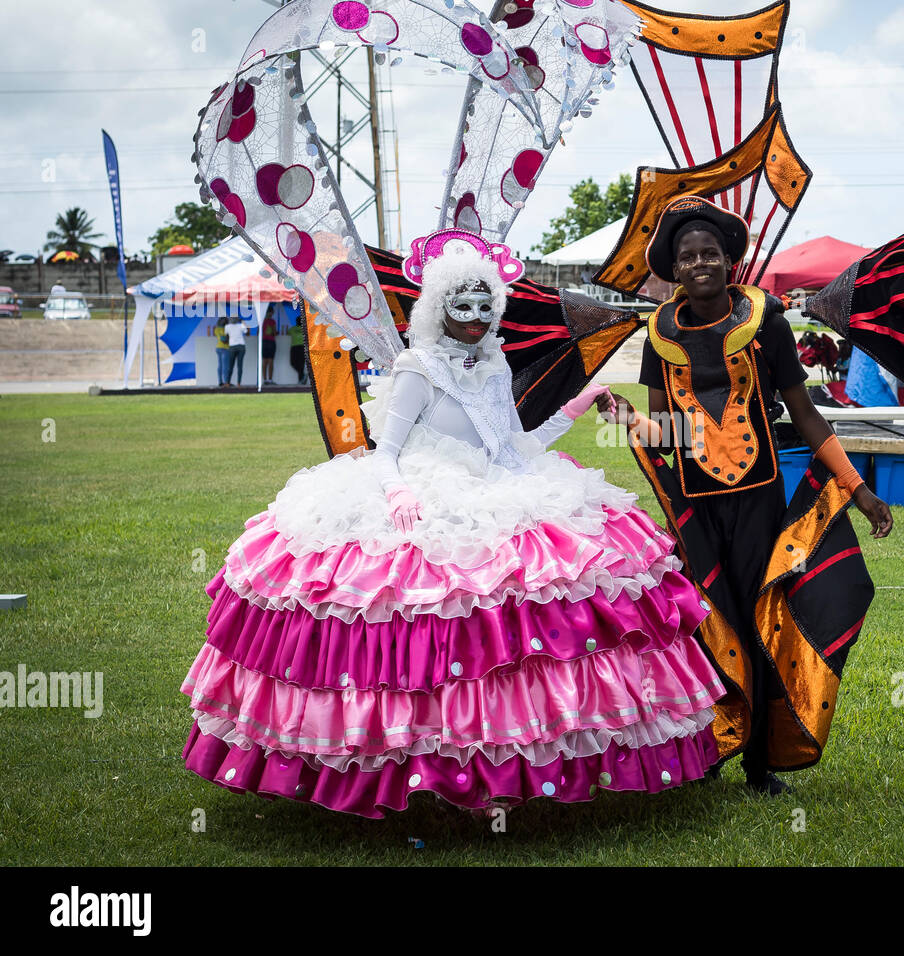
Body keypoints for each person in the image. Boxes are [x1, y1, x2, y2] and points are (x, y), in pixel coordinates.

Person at [181, 239, 724, 816]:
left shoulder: (493, 362)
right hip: (428, 487)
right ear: (437, 307)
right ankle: (415, 765)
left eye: (485, 306)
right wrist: (398, 493)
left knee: (541, 602)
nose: (475, 320)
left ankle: (506, 759)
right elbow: (384, 451)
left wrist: (581, 402)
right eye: (461, 307)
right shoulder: (417, 367)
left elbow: (514, 448)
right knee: (425, 613)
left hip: (496, 485)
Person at [597, 196, 892, 796]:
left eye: (711, 253)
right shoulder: (660, 336)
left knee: (761, 622)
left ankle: (759, 761)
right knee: (707, 621)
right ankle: (711, 747)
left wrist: (857, 489)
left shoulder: (768, 323)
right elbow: (669, 431)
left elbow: (806, 414)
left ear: (730, 260)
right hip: (697, 508)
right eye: (687, 256)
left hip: (761, 504)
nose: (700, 263)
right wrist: (629, 419)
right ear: (673, 270)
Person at [225, 312, 249, 386]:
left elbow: (226, 337)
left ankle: (228, 383)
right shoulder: (241, 325)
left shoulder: (227, 326)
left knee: (230, 366)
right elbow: (247, 333)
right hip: (241, 346)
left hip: (232, 346)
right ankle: (238, 383)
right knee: (240, 365)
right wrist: (244, 323)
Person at [289, 311, 307, 385]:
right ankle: (303, 376)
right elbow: (287, 333)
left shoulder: (305, 329)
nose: (298, 321)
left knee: (301, 364)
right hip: (295, 347)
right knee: (293, 363)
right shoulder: (293, 328)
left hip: (302, 347)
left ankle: (301, 380)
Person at [260, 305, 277, 384]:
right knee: (270, 361)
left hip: (263, 342)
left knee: (264, 361)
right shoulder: (272, 321)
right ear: (271, 312)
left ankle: (265, 380)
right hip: (271, 342)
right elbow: (274, 333)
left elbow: (258, 333)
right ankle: (270, 379)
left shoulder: (262, 320)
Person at [215, 318, 231, 387]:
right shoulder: (226, 329)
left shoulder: (216, 329)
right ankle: (226, 382)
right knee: (225, 367)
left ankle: (220, 381)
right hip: (225, 348)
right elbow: (224, 340)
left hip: (218, 348)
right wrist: (228, 336)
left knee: (220, 366)